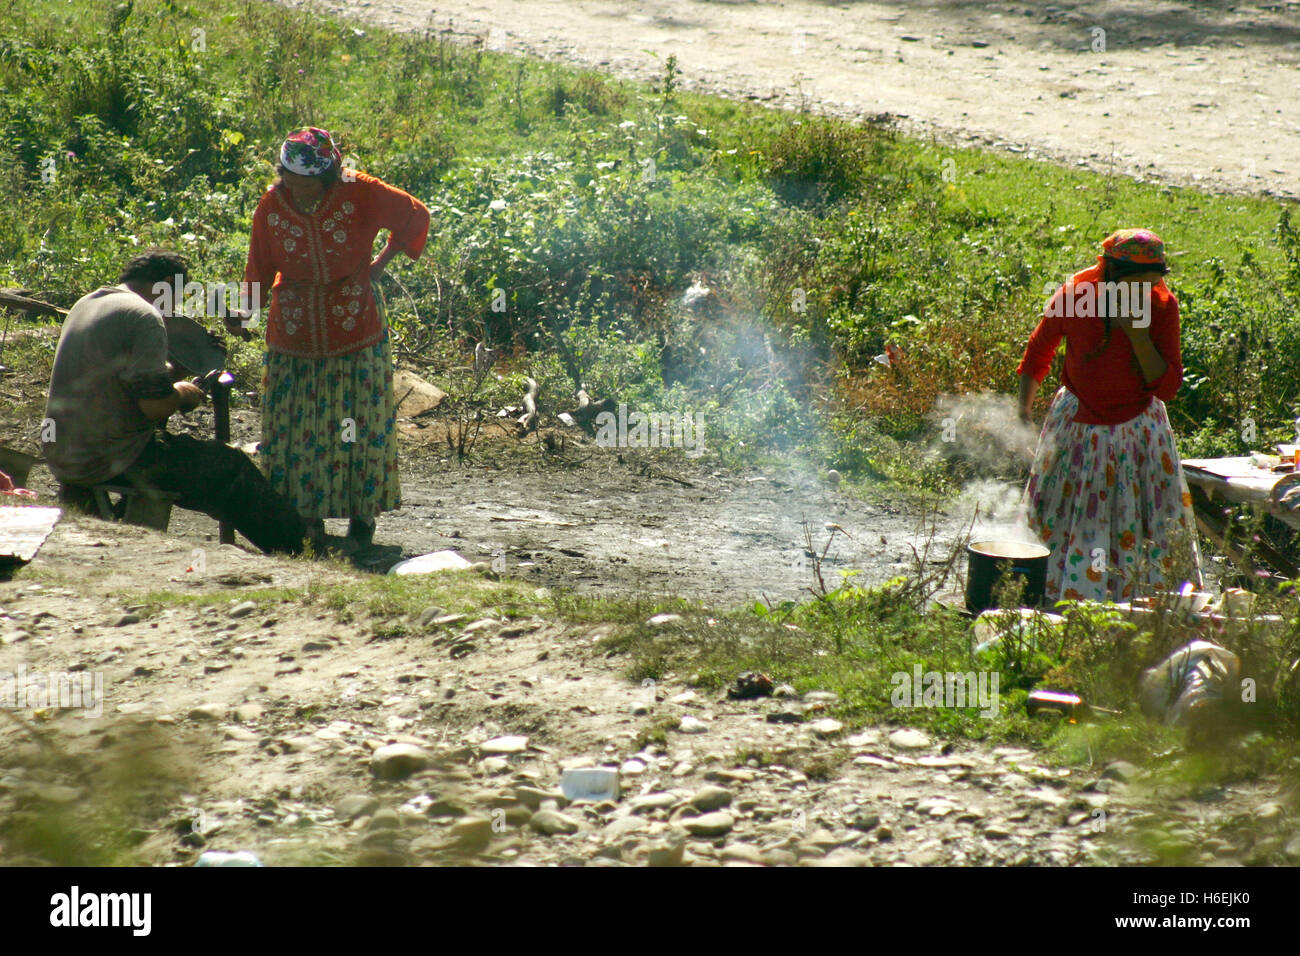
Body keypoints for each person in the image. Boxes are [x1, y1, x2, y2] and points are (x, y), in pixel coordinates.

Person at [233, 127, 430, 550]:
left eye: (303, 179)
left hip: (355, 326)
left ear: (326, 176)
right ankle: (305, 523)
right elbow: (259, 268)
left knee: (358, 424)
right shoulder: (271, 204)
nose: (293, 185)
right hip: (294, 334)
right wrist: (243, 311)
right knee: (296, 430)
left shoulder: (359, 191)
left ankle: (363, 521)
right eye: (287, 175)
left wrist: (379, 263)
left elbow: (415, 215)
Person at [42, 250, 306, 554]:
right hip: (108, 457)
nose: (175, 307)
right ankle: (301, 548)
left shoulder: (89, 303)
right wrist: (182, 393)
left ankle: (117, 514)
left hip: (61, 451)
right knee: (229, 466)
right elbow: (154, 407)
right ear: (167, 284)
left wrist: (179, 370)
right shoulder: (145, 316)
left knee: (170, 444)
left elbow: (127, 380)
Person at [1016, 228, 1202, 603]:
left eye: (1150, 287)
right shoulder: (1075, 298)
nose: (1143, 296)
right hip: (1079, 428)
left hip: (1138, 433)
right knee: (1073, 515)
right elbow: (1039, 350)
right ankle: (1056, 593)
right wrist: (1022, 412)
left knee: (1137, 516)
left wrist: (1137, 336)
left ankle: (1143, 599)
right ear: (1112, 277)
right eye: (1135, 287)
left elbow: (1165, 387)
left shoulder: (1163, 307)